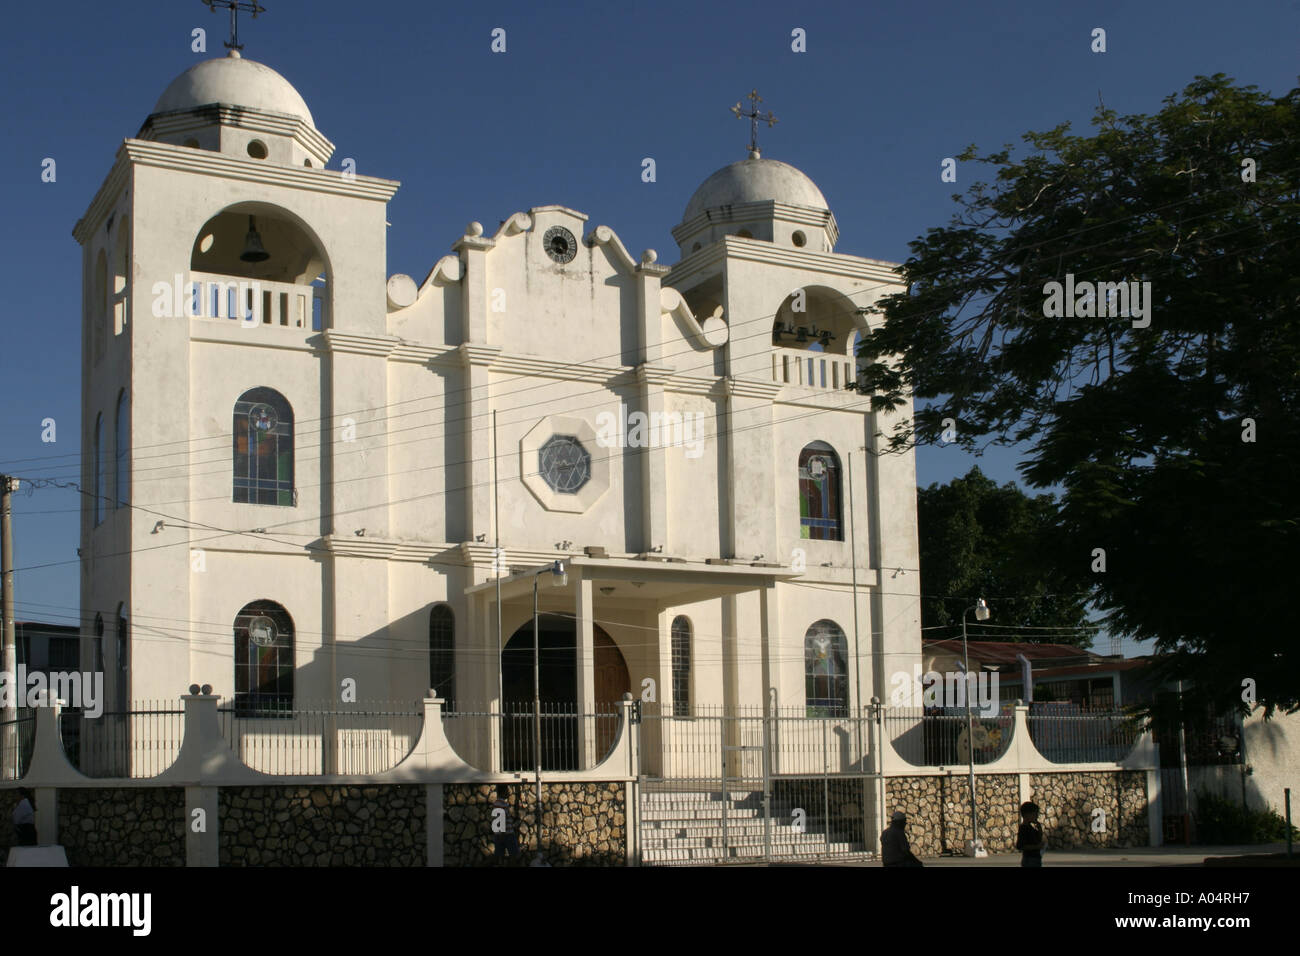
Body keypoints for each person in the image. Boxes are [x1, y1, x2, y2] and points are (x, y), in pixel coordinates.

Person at [491, 784, 521, 865]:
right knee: (513, 854)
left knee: (500, 855)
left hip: (498, 834)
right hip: (506, 833)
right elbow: (502, 819)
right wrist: (503, 833)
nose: (508, 792)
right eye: (507, 791)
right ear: (503, 792)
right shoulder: (503, 804)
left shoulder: (495, 804)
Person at [1016, 801, 1044, 867]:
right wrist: (1036, 847)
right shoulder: (1023, 828)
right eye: (1035, 814)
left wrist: (1039, 828)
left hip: (1036, 858)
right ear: (1027, 815)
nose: (1037, 816)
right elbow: (1020, 846)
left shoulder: (1032, 828)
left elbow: (1039, 839)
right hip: (1029, 859)